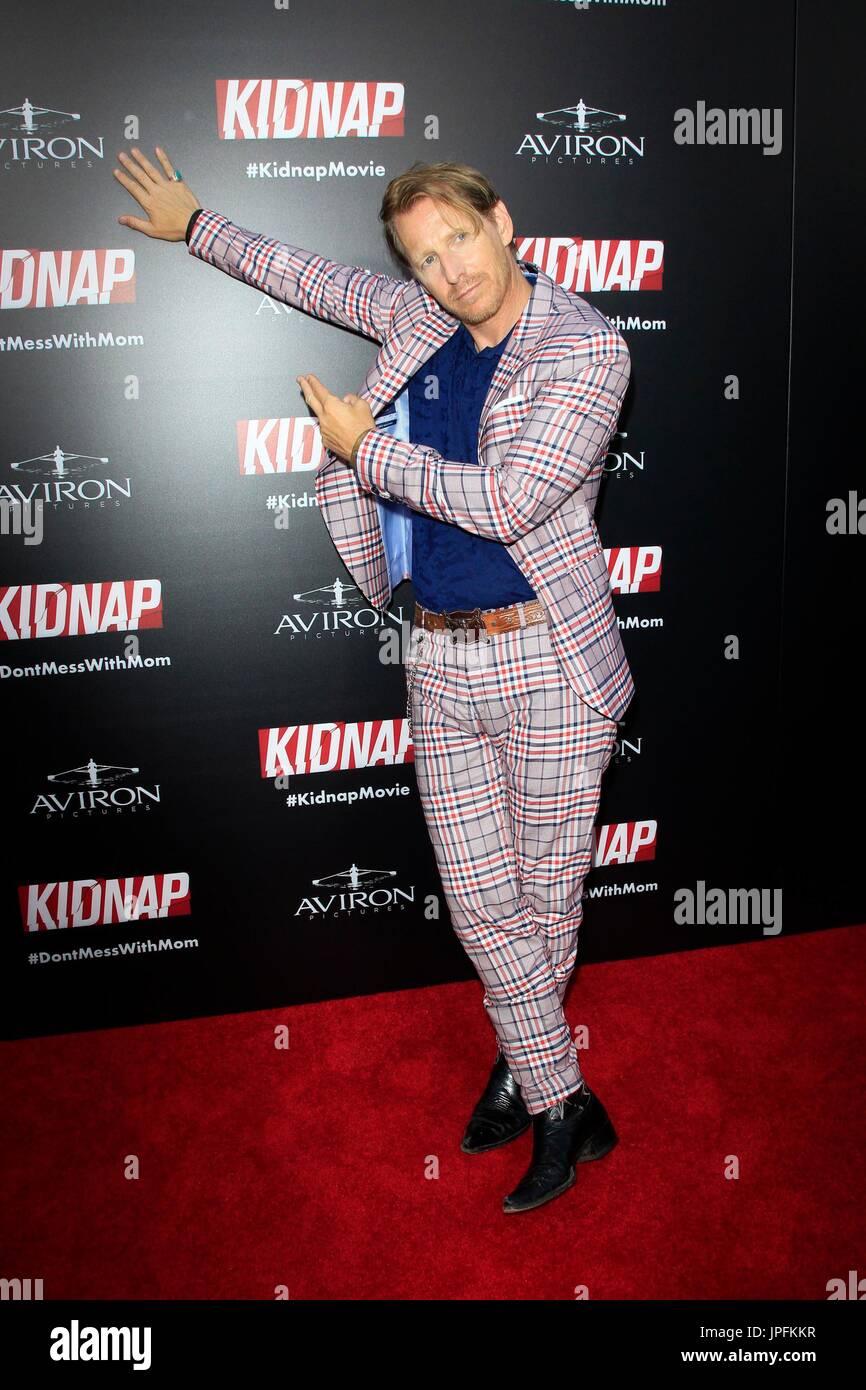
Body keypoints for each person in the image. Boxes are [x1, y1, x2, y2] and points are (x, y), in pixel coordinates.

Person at [114, 146, 634, 1214]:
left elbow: (509, 501)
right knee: (481, 907)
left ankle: (532, 1079)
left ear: (502, 219)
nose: (448, 271)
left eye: (457, 238)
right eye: (421, 257)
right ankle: (563, 1095)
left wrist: (365, 451)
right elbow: (307, 275)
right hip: (437, 656)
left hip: (548, 662)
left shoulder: (586, 348)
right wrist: (195, 224)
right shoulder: (415, 318)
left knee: (544, 902)